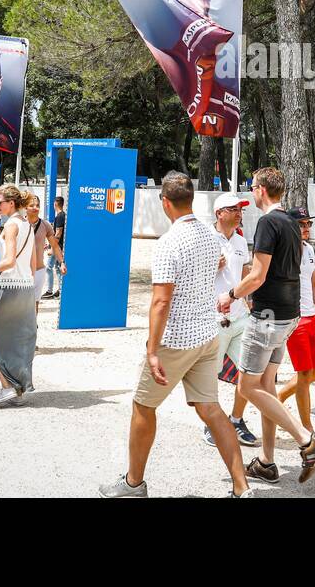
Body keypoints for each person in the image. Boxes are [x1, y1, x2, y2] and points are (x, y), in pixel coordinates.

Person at [99, 172, 250, 498]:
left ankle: (133, 484)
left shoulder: (169, 242)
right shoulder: (212, 238)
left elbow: (161, 300)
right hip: (207, 335)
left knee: (143, 406)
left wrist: (153, 349)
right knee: (211, 409)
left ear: (165, 202)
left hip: (177, 339)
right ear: (191, 199)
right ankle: (242, 488)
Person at [215, 166, 315, 485]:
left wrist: (230, 295)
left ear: (262, 189)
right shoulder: (293, 225)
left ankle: (308, 441)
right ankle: (266, 461)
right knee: (266, 387)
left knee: (247, 387)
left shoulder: (267, 222)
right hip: (287, 317)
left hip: (266, 318)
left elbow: (259, 275)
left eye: (253, 187)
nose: (251, 191)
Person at [200, 192, 257, 447]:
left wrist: (251, 300)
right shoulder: (204, 239)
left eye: (241, 209)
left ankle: (236, 419)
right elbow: (187, 278)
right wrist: (209, 267)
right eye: (233, 209)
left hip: (240, 316)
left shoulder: (240, 240)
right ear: (219, 213)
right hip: (214, 319)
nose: (239, 213)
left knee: (249, 372)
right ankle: (211, 422)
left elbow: (246, 272)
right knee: (210, 375)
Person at [0, 184, 39, 408]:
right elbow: (33, 264)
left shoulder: (12, 225)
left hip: (10, 286)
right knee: (16, 339)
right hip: (26, 287)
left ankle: (7, 386)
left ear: (11, 203)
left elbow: (10, 260)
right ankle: (18, 388)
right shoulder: (27, 225)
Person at [278, 207, 315, 434]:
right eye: (301, 224)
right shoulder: (284, 251)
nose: (306, 228)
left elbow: (313, 286)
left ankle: (277, 398)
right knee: (303, 374)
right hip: (295, 319)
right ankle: (306, 428)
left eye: (308, 224)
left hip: (312, 318)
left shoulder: (309, 250)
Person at [25, 194, 64, 310]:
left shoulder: (45, 225)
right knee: (21, 304)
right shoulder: (19, 224)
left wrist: (62, 262)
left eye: (37, 205)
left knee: (35, 303)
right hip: (22, 272)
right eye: (31, 205)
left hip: (38, 270)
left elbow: (55, 246)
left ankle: (33, 327)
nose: (35, 208)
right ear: (25, 207)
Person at [44, 195, 67, 299]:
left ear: (55, 204)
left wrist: (52, 248)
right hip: (59, 246)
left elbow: (58, 233)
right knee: (58, 268)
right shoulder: (63, 215)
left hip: (57, 247)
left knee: (49, 267)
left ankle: (49, 290)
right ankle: (60, 290)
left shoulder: (59, 216)